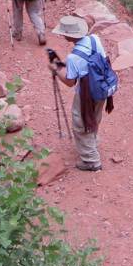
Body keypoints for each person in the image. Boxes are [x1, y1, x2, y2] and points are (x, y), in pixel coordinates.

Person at [49, 15, 112, 171]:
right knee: (95, 116)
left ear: (69, 36)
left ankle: (91, 161)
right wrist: (64, 65)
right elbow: (97, 58)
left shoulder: (73, 57)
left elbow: (70, 82)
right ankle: (92, 141)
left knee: (80, 123)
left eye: (63, 33)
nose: (62, 35)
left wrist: (56, 70)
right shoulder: (94, 39)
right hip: (102, 86)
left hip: (86, 95)